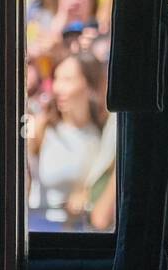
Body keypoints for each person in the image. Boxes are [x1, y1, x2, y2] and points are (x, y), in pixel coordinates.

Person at [28, 51, 108, 229]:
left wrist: (86, 195)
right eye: (56, 78)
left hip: (82, 233)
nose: (57, 87)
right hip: (41, 229)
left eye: (68, 79)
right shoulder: (42, 127)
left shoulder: (102, 132)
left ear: (89, 84)